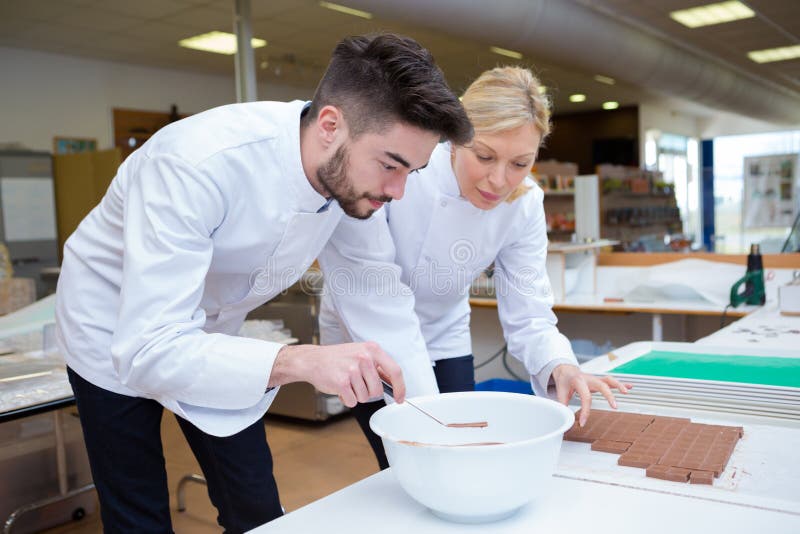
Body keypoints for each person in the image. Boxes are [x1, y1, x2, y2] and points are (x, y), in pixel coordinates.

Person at [55, 33, 472, 532]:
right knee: (139, 515)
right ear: (330, 126)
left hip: (211, 332)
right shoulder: (196, 163)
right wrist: (299, 361)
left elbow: (379, 298)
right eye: (390, 165)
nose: (398, 191)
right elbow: (149, 347)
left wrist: (431, 431)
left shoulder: (352, 185)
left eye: (413, 172)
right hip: (113, 327)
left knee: (255, 508)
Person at [318, 66, 631, 470]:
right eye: (484, 156)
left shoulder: (525, 204)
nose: (499, 180)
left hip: (445, 329)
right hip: (368, 330)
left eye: (520, 163)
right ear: (454, 137)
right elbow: (379, 298)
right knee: (412, 461)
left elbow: (530, 314)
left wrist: (561, 365)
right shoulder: (407, 171)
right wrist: (433, 420)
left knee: (463, 457)